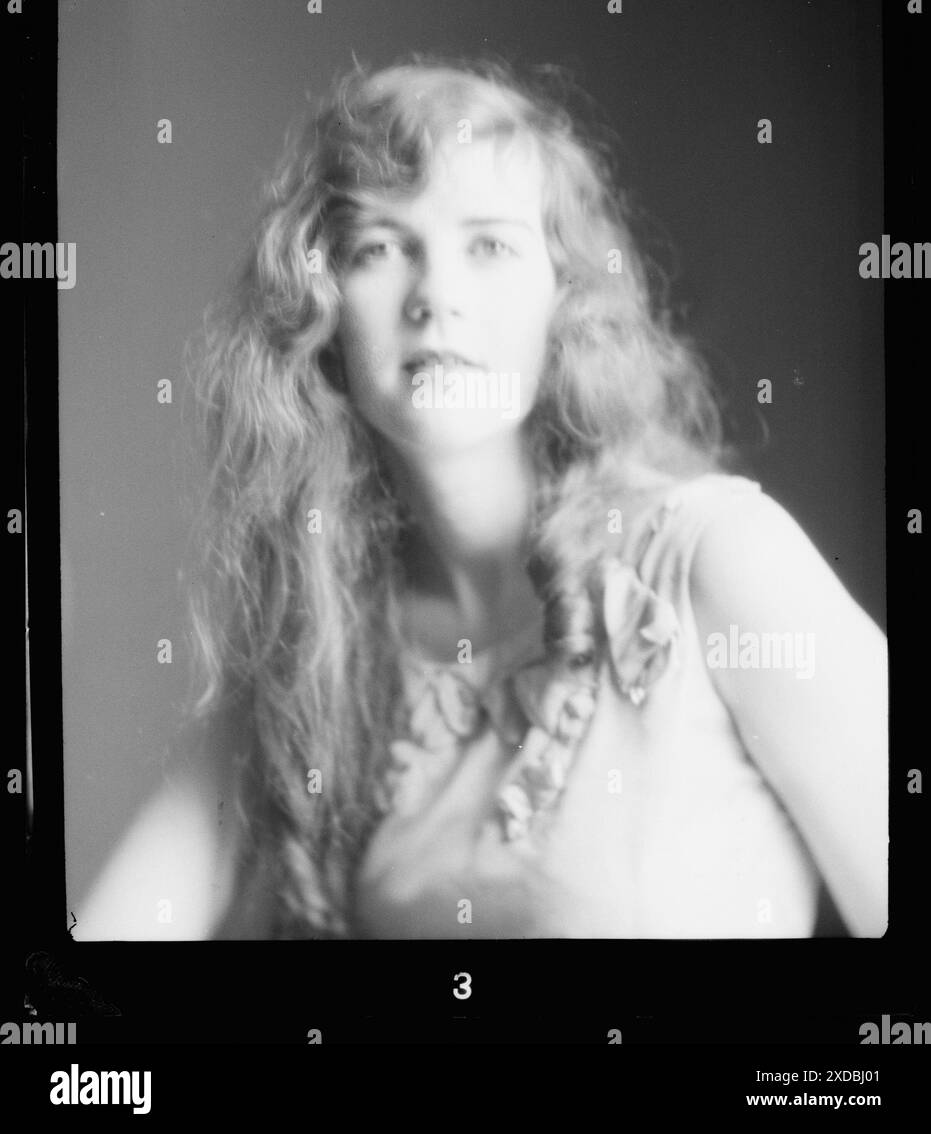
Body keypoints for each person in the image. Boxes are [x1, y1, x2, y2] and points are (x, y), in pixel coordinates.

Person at [73, 54, 888, 941]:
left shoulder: (717, 559)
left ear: (564, 299)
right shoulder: (323, 658)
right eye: (379, 248)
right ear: (322, 315)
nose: (437, 297)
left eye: (490, 245)